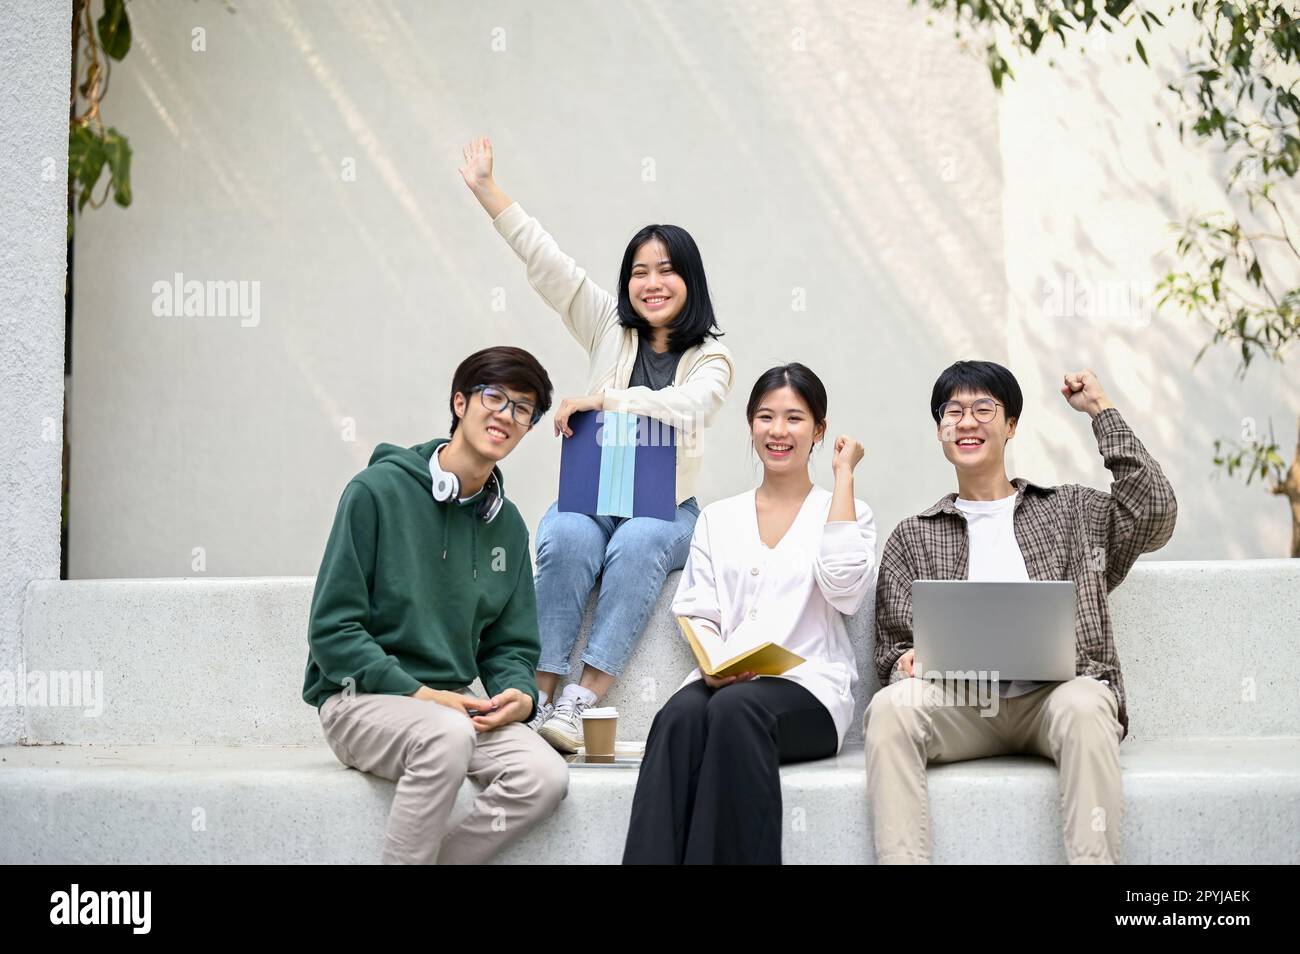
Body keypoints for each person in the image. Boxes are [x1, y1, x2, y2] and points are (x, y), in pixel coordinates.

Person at [460, 136, 735, 753]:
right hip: (591, 495)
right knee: (565, 536)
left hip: (666, 507)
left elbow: (692, 408)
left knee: (637, 543)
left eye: (667, 270)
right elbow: (547, 263)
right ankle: (539, 692)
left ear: (690, 280)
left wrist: (607, 401)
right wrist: (487, 191)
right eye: (640, 271)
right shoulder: (609, 326)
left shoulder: (711, 357)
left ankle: (585, 697)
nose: (651, 282)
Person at [865, 361, 1177, 864]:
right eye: (953, 412)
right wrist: (905, 662)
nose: (967, 422)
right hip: (961, 706)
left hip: (1053, 699)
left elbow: (1155, 513)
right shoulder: (913, 535)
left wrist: (1101, 410)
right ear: (939, 432)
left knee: (1086, 704)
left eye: (984, 409)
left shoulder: (1071, 511)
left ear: (1010, 426)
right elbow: (892, 648)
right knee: (889, 710)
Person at [302, 346, 569, 864]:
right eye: (494, 397)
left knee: (545, 777)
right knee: (445, 735)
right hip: (357, 701)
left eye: (523, 409)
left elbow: (508, 645)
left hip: (452, 707)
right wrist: (420, 693)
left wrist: (518, 693)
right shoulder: (375, 492)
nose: (506, 415)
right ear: (460, 402)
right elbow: (333, 630)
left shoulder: (507, 526)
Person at [623, 364, 877, 864]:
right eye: (765, 417)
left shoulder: (846, 511)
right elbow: (697, 610)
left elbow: (846, 588)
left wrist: (845, 476)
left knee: (735, 712)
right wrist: (716, 665)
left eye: (794, 418)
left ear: (819, 431)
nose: (778, 431)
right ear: (750, 426)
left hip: (809, 691)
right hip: (726, 682)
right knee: (677, 717)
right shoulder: (719, 518)